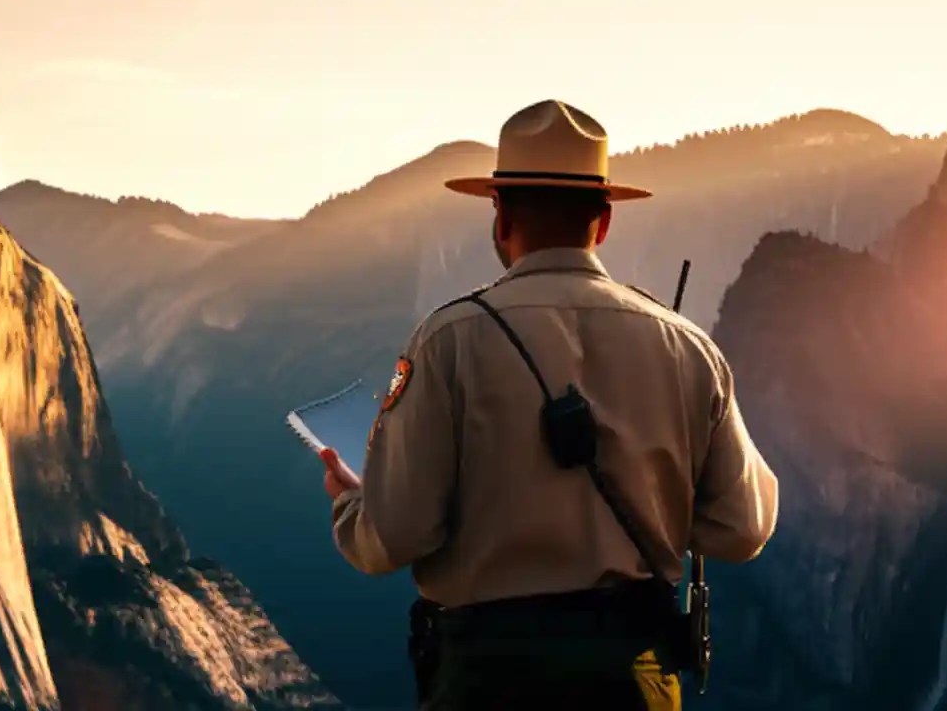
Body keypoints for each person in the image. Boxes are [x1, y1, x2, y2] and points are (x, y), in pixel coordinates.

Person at [323, 99, 779, 710]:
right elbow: (743, 528)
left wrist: (354, 505)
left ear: (500, 213)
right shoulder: (688, 349)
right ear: (605, 220)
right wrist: (656, 488)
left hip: (488, 680)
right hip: (634, 673)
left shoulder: (448, 341)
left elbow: (394, 536)